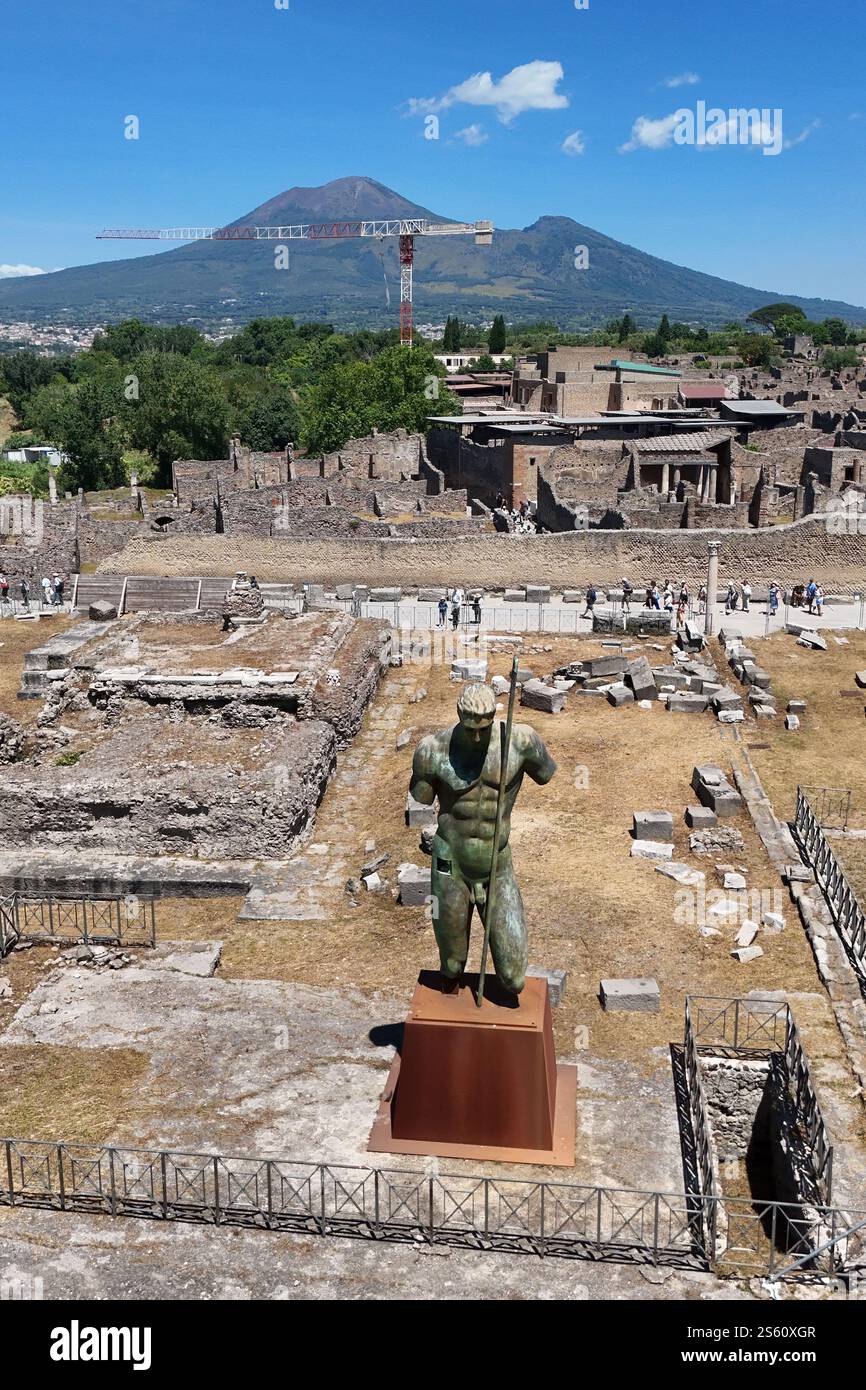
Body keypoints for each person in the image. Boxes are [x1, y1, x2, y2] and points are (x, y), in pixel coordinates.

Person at [410, 682, 557, 996]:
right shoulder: (432, 750)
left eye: (485, 729)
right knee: (450, 965)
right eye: (469, 729)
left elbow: (545, 773)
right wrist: (421, 772)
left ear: (495, 718)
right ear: (459, 717)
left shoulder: (520, 742)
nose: (477, 737)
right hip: (450, 863)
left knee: (514, 977)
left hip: (497, 864)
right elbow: (421, 797)